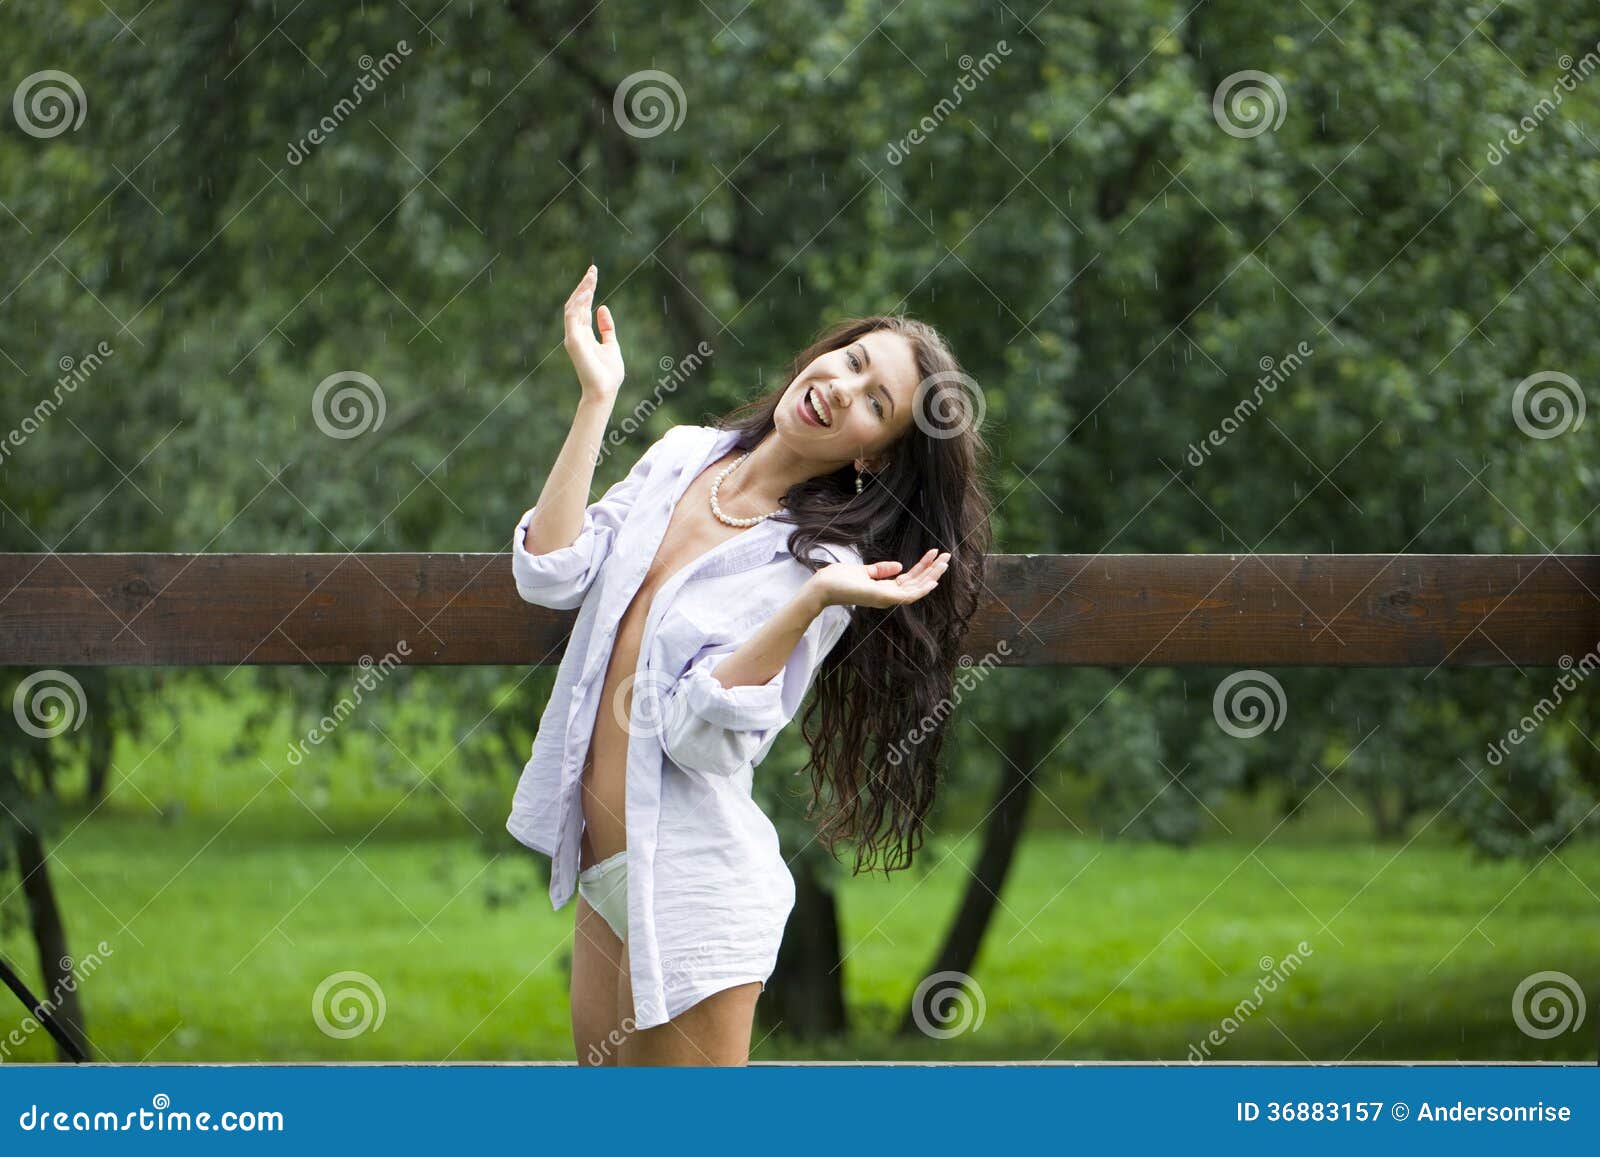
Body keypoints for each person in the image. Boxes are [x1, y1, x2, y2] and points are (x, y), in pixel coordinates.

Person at [508, 264, 993, 1065]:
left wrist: (805, 606)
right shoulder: (682, 456)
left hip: (692, 882)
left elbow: (703, 738)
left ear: (873, 456)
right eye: (853, 362)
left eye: (877, 404)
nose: (845, 389)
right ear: (823, 354)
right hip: (606, 872)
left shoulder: (823, 566)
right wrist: (596, 402)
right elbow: (551, 569)